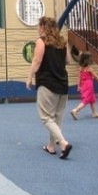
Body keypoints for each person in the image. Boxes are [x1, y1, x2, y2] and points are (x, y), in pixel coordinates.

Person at [27, 17, 72, 159]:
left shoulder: (41, 41)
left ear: (43, 27)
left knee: (46, 117)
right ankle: (51, 146)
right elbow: (68, 61)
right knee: (57, 117)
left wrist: (29, 77)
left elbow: (37, 61)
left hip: (47, 84)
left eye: (38, 26)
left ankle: (63, 143)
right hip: (63, 84)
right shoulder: (62, 41)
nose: (37, 29)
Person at [70, 53, 98, 120]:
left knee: (92, 99)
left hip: (83, 84)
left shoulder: (80, 68)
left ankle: (95, 113)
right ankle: (75, 110)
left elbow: (79, 77)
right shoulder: (89, 68)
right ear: (88, 60)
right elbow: (96, 77)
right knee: (86, 100)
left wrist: (78, 86)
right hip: (89, 85)